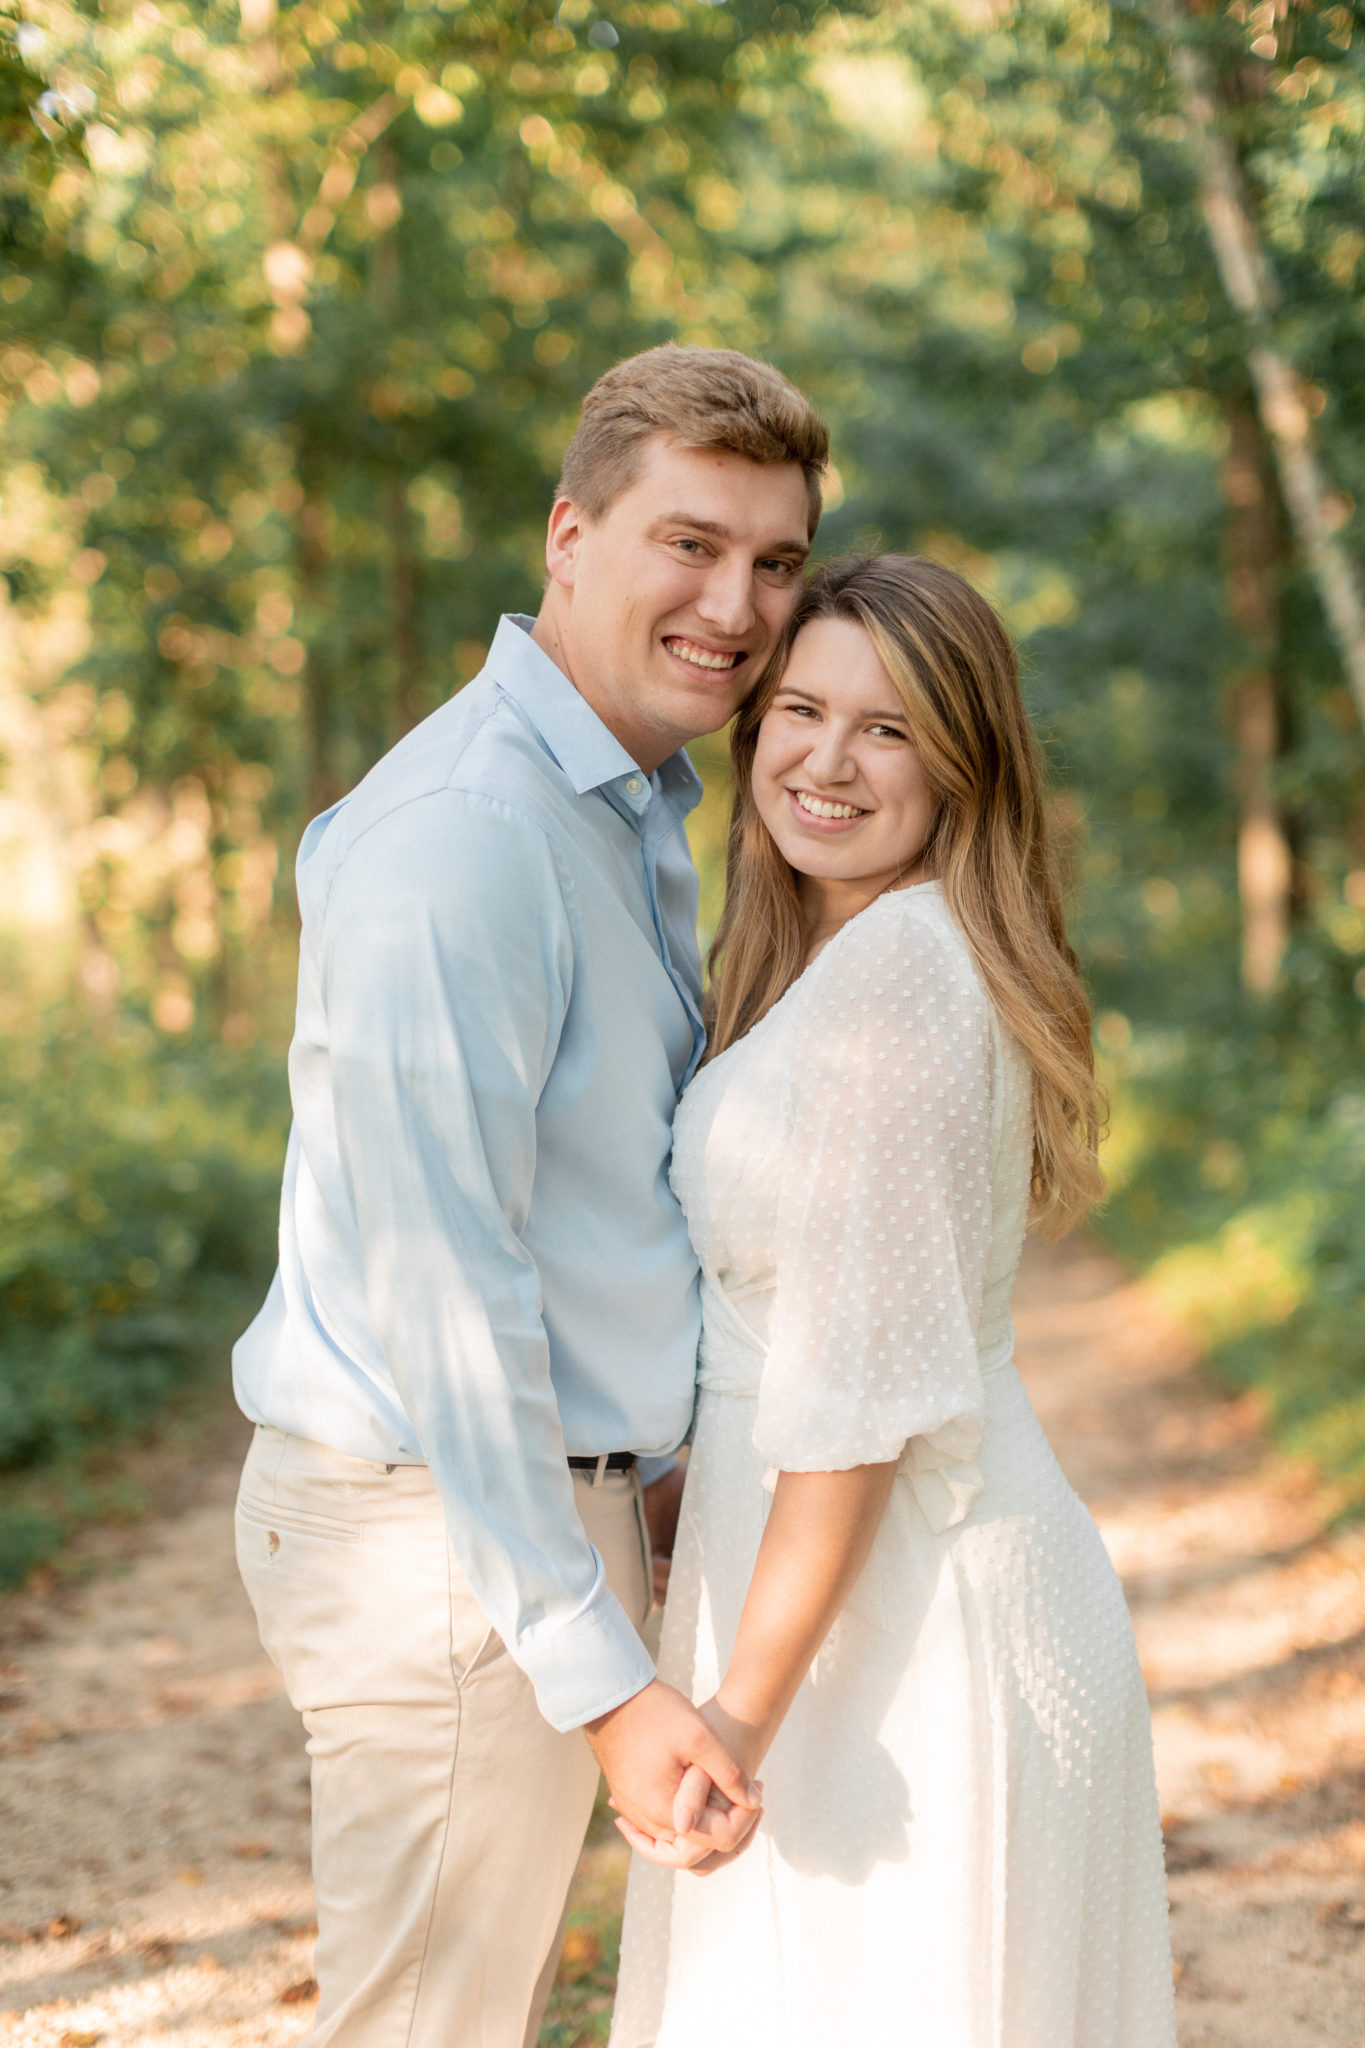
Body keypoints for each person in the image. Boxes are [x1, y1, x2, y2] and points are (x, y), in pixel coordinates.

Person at [230, 344, 830, 2048]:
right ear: (570, 535)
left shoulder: (621, 800)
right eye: (689, 544)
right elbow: (446, 1290)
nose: (735, 603)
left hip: (521, 1515)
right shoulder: (469, 835)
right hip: (444, 1534)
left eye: (774, 563)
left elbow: (576, 1197)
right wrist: (601, 1678)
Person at [610, 554, 1177, 2048]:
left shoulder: (906, 985)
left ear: (961, 761)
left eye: (888, 728)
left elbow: (850, 1405)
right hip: (829, 1587)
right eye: (800, 709)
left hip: (909, 1618)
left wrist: (740, 1712)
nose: (827, 760)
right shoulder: (843, 960)